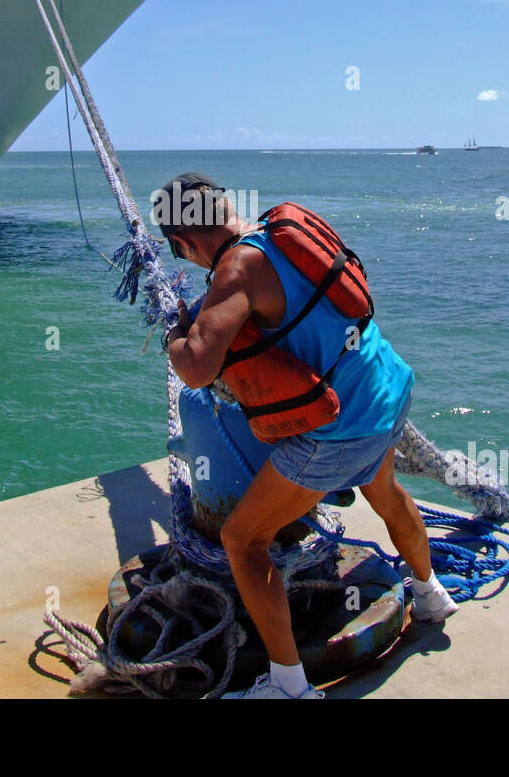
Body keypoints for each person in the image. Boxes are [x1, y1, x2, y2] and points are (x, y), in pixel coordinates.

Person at [154, 173, 457, 699]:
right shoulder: (278, 228)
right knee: (385, 491)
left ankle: (288, 687)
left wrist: (175, 336)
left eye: (183, 256)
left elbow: (200, 369)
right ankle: (430, 595)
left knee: (243, 541)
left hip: (340, 431)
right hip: (387, 388)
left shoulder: (237, 268)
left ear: (184, 241)